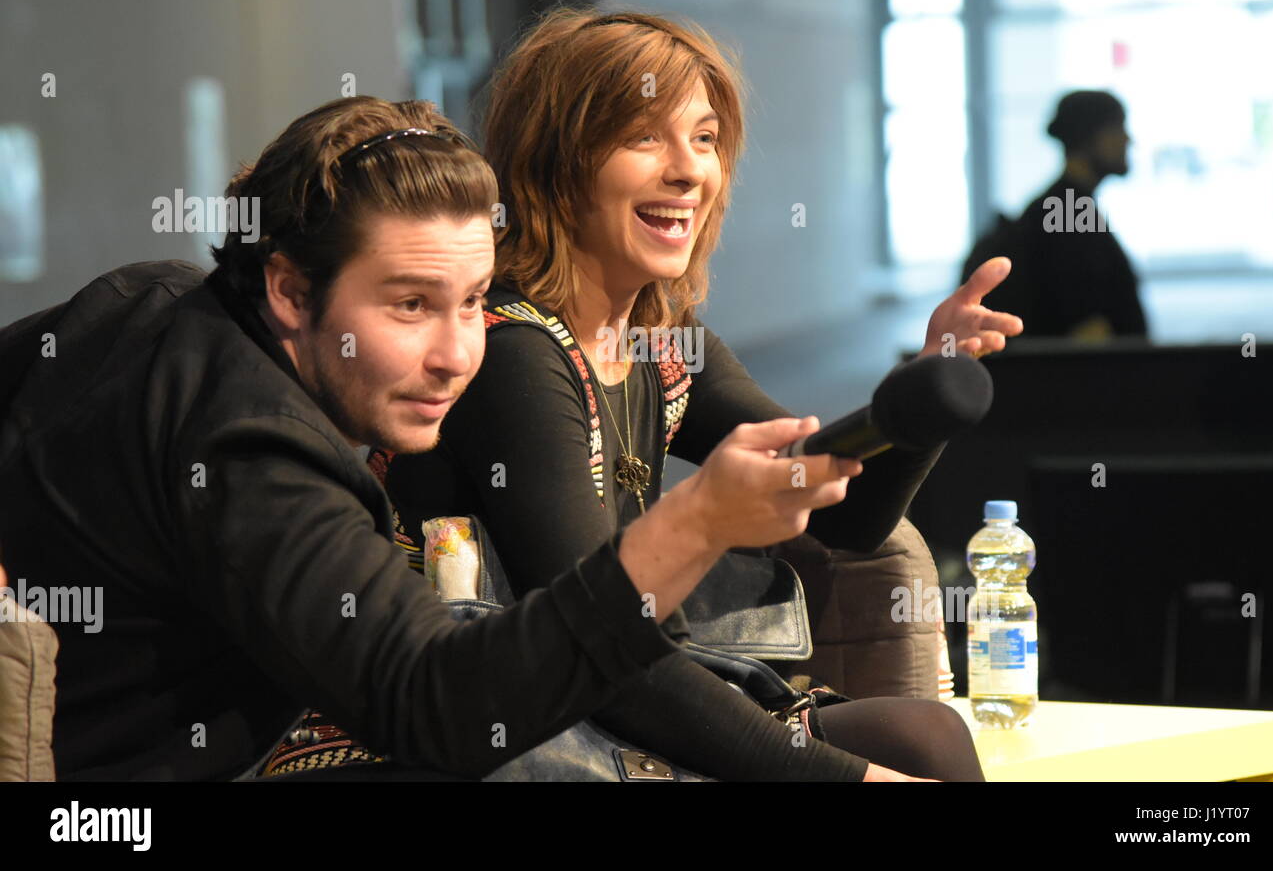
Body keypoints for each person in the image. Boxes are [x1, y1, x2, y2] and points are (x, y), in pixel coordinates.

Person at [0, 96, 866, 781]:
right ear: (292, 293)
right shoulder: (255, 446)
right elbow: (440, 707)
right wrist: (697, 524)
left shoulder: (147, 296)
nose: (456, 356)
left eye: (471, 302)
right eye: (409, 305)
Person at [384, 9, 1022, 781]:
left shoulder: (665, 350)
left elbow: (847, 518)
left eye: (707, 138)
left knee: (925, 736)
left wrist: (919, 395)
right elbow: (599, 652)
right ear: (556, 163)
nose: (689, 170)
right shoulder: (514, 351)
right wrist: (847, 780)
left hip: (624, 694)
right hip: (530, 721)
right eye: (644, 136)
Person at [962, 89, 1148, 340]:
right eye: (1117, 128)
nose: (1128, 140)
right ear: (1088, 137)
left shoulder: (1063, 207)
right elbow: (1086, 328)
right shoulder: (1067, 212)